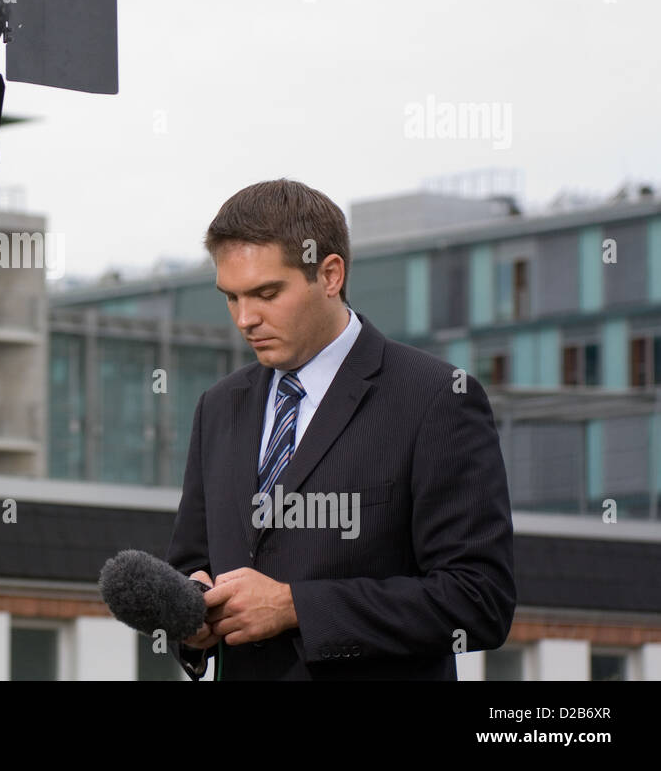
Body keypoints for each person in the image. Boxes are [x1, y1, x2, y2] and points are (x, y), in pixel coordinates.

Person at [166, 179, 515, 680]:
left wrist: (294, 607)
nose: (245, 318)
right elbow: (191, 562)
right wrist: (192, 615)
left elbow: (478, 600)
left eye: (266, 293)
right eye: (231, 297)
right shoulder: (219, 406)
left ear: (330, 275)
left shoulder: (437, 399)